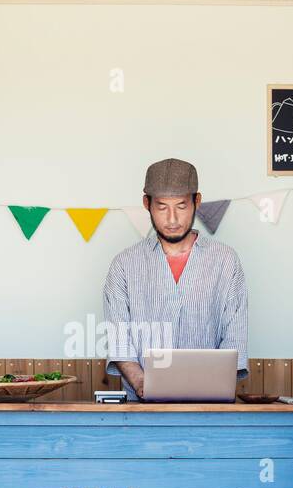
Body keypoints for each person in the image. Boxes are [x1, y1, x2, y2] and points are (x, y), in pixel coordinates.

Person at [103, 158, 248, 399]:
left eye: (181, 206)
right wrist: (142, 383)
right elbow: (119, 340)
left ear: (197, 202)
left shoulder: (226, 261)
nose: (172, 219)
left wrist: (212, 387)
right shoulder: (124, 265)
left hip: (210, 409)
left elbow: (235, 339)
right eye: (162, 207)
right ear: (146, 204)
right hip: (140, 410)